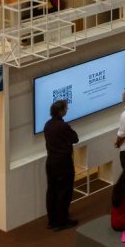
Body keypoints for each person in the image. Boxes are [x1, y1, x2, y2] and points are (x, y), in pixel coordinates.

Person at [44, 97, 79, 232]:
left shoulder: (47, 125)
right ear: (60, 111)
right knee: (64, 191)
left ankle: (52, 220)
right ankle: (62, 221)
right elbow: (75, 138)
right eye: (66, 108)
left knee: (52, 191)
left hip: (51, 162)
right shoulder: (63, 126)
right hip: (63, 163)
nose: (67, 110)